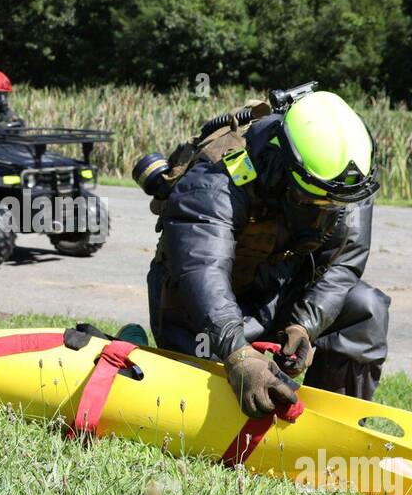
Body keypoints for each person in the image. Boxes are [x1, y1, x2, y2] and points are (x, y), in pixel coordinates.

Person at [147, 90, 389, 417]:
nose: (329, 209)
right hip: (201, 308)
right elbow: (202, 270)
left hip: (276, 290)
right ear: (285, 166)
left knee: (365, 308)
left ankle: (335, 420)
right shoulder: (218, 177)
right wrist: (238, 354)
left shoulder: (345, 182)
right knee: (209, 396)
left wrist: (304, 325)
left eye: (336, 204)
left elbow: (343, 265)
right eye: (315, 201)